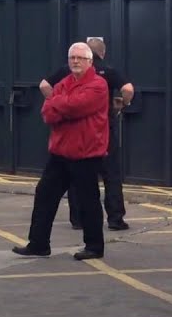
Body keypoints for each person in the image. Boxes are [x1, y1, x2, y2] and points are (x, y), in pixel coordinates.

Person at [13, 42, 110, 261]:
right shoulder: (64, 83)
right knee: (44, 195)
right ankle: (38, 244)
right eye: (72, 58)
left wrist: (58, 103)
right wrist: (61, 105)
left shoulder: (98, 85)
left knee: (88, 201)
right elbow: (48, 114)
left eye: (80, 58)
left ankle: (94, 246)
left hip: (86, 153)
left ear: (90, 62)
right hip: (60, 152)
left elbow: (78, 107)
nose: (75, 61)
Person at [40, 36, 134, 231]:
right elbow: (127, 88)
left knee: (75, 178)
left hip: (70, 132)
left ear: (88, 56)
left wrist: (57, 104)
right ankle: (116, 218)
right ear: (101, 53)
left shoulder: (67, 72)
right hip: (102, 129)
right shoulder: (108, 71)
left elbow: (44, 85)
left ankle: (77, 219)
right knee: (111, 176)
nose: (76, 61)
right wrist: (123, 103)